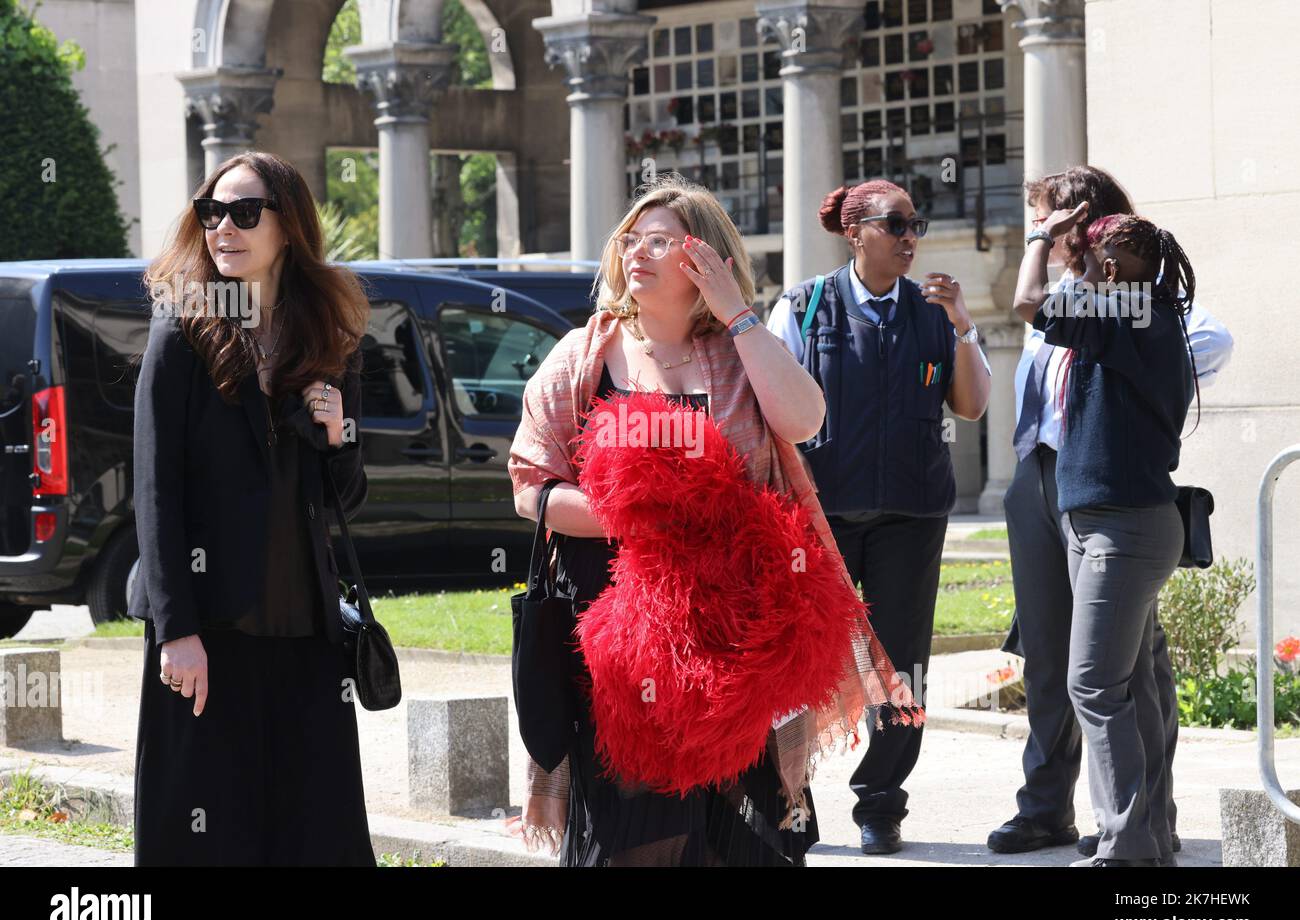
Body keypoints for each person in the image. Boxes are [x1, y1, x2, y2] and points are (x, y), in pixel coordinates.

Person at [507, 173, 922, 866]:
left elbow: (804, 418)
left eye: (660, 240)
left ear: (705, 257)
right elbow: (531, 488)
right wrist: (646, 519)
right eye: (630, 239)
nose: (637, 251)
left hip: (740, 644)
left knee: (743, 841)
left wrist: (736, 311)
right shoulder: (583, 357)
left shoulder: (739, 352)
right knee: (639, 839)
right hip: (621, 647)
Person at [130, 151, 374, 866]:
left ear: (288, 226)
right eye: (212, 212)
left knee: (315, 831)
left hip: (305, 634)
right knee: (207, 832)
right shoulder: (183, 329)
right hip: (208, 631)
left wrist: (340, 435)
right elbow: (156, 489)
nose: (222, 228)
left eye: (243, 212)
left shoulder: (328, 335)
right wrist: (176, 631)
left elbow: (345, 498)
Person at [988, 167, 1233, 860]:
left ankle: (1129, 841)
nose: (1079, 256)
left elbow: (1029, 302)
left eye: (1092, 251)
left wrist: (1040, 240)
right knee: (1117, 676)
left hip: (1121, 518)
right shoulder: (1123, 315)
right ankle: (1141, 832)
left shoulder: (1130, 315)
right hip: (1084, 506)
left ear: (1116, 261)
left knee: (1099, 681)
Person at [766, 179, 991, 854]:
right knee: (798, 660)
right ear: (856, 232)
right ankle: (787, 801)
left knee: (902, 665)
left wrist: (963, 324)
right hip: (819, 516)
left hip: (910, 516)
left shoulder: (932, 312)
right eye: (896, 224)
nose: (910, 237)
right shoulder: (804, 306)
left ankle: (882, 803)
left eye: (915, 224)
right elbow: (771, 403)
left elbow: (973, 405)